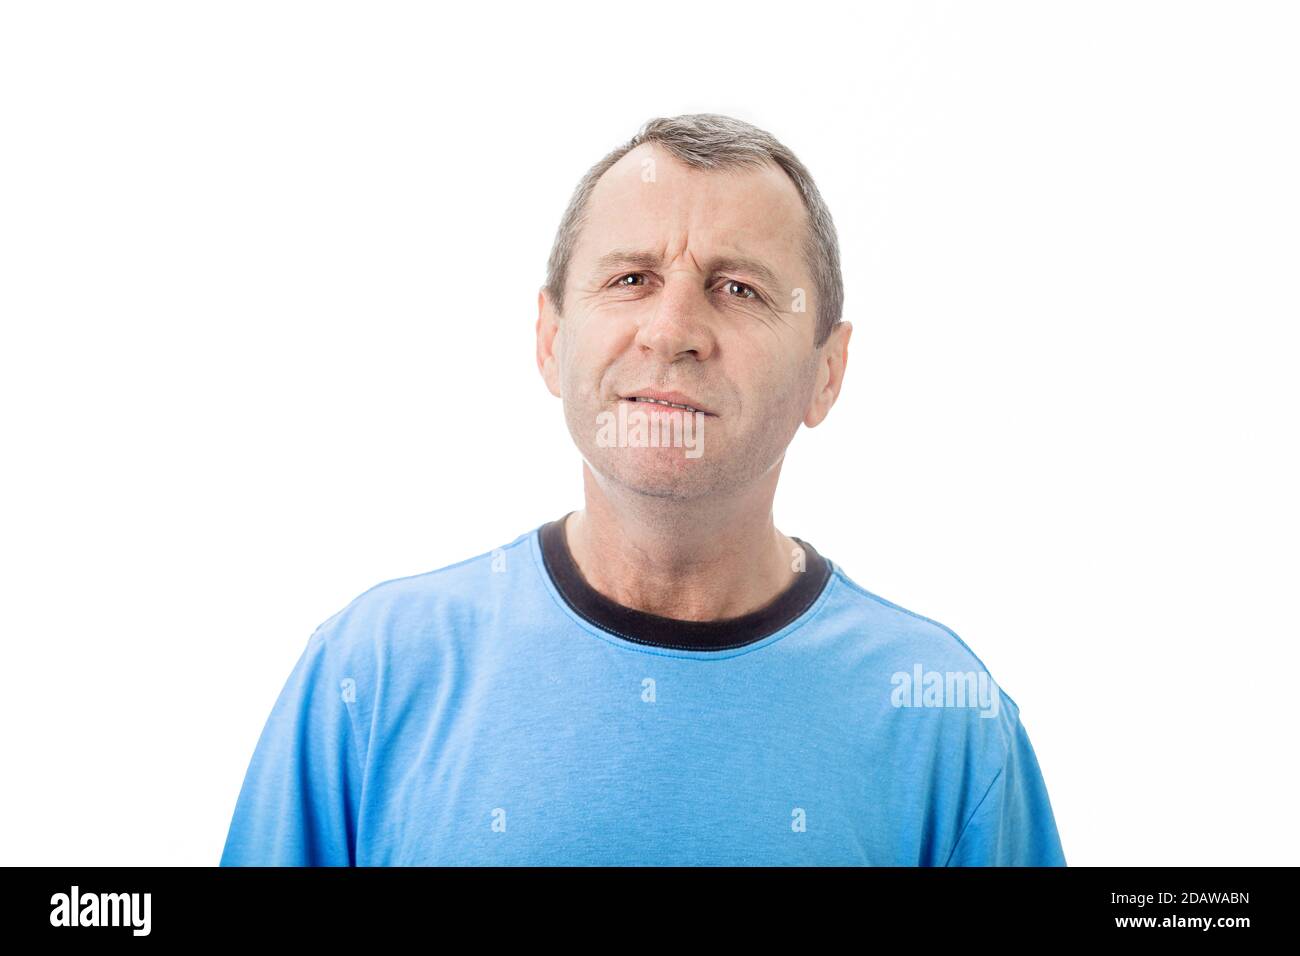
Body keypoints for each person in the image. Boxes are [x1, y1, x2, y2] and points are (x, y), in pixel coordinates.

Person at [220, 113, 1066, 866]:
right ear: (551, 339)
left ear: (827, 371)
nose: (672, 331)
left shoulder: (947, 725)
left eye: (739, 289)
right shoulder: (370, 674)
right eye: (631, 279)